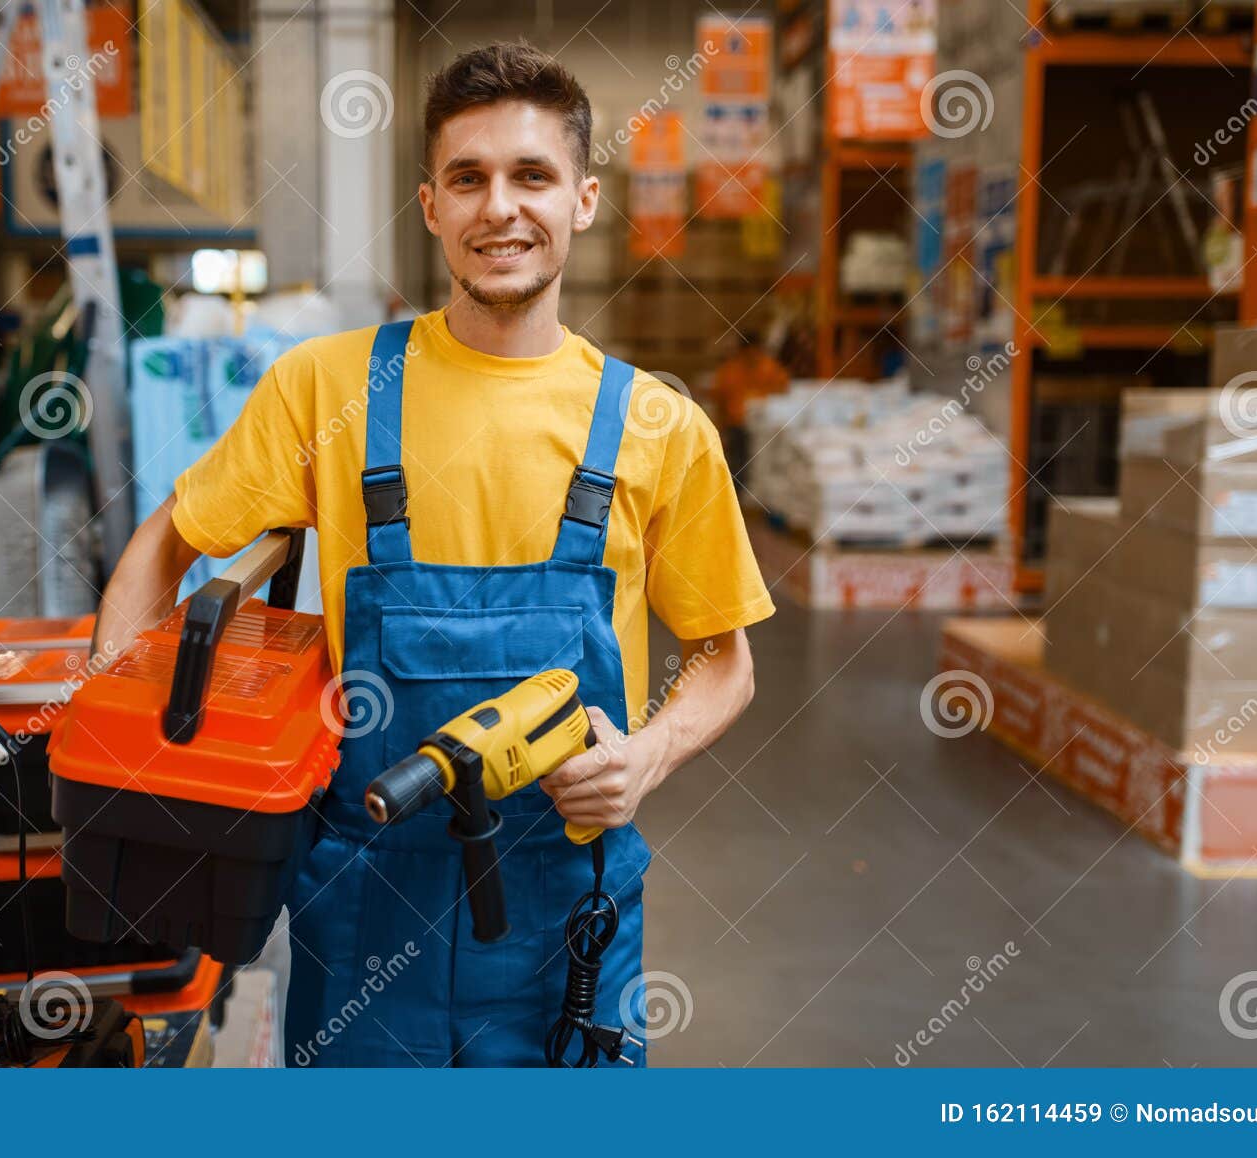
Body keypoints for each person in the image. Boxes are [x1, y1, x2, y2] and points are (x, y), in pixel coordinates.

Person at [93, 41, 774, 1067]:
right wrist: (125, 764)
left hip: (568, 917)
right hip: (365, 907)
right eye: (470, 179)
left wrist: (647, 756)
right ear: (430, 206)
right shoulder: (326, 390)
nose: (500, 207)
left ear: (583, 199)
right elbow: (170, 541)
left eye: (531, 176)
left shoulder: (656, 426)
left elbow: (724, 658)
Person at [711, 329, 790, 497]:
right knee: (739, 463)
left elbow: (784, 397)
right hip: (737, 426)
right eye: (749, 352)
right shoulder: (729, 371)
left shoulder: (772, 369)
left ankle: (752, 498)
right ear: (742, 352)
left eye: (757, 351)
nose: (753, 356)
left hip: (765, 428)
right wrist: (719, 429)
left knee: (764, 464)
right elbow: (720, 402)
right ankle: (737, 498)